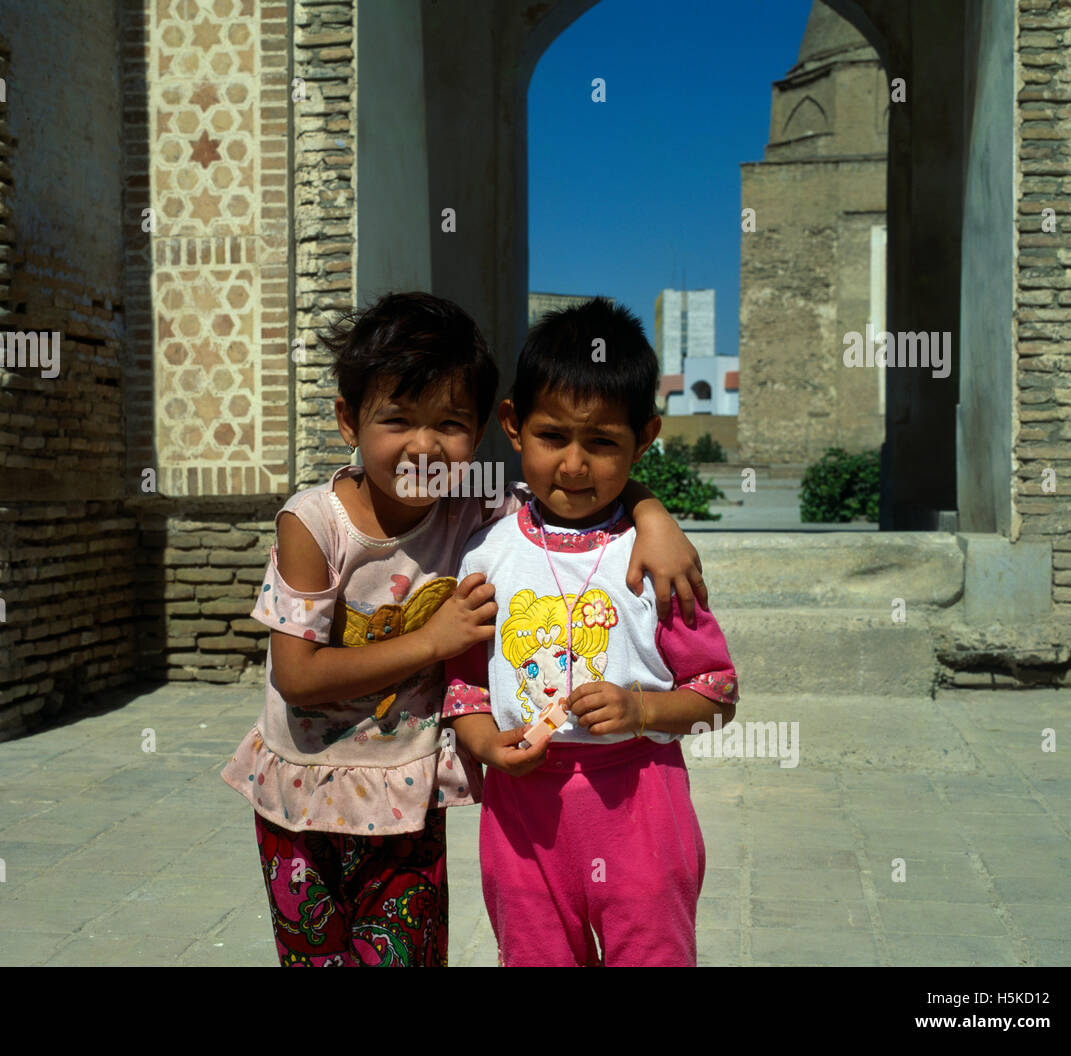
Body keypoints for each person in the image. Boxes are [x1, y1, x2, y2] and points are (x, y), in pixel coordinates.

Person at [220, 291, 710, 966]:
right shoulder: (314, 524)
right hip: (300, 799)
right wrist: (432, 640)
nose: (423, 446)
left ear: (484, 428)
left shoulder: (479, 513)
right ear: (347, 419)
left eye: (449, 423)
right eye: (396, 419)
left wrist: (652, 514)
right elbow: (298, 677)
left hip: (407, 798)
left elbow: (577, 485)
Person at [443, 296, 739, 967]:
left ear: (646, 437)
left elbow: (717, 692)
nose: (574, 465)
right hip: (521, 819)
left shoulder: (656, 559)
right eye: (553, 437)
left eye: (603, 442)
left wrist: (644, 710)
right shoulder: (484, 550)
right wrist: (486, 744)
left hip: (640, 809)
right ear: (514, 425)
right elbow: (461, 683)